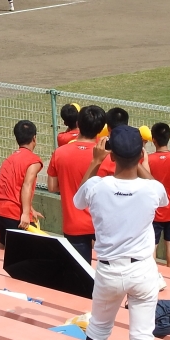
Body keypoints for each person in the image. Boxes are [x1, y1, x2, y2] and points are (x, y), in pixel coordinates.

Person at [76, 131, 169, 340]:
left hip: (109, 270)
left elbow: (78, 201)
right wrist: (140, 163)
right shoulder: (152, 189)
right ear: (141, 155)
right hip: (142, 270)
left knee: (98, 330)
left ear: (112, 156)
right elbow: (162, 195)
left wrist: (96, 161)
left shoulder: (97, 185)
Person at [47, 104, 106, 262]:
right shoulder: (107, 157)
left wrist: (68, 183)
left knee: (79, 277)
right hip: (102, 223)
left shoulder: (60, 153)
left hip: (73, 223)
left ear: (78, 123)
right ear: (100, 129)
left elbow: (52, 187)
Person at [0, 120, 43, 247]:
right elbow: (26, 186)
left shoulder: (9, 158)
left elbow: (10, 187)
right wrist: (25, 213)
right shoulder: (34, 161)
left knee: (3, 243)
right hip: (13, 215)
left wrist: (30, 209)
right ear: (34, 138)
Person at [148, 122, 170, 272]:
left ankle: (152, 272)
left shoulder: (148, 159)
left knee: (152, 243)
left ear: (153, 139)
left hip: (155, 208)